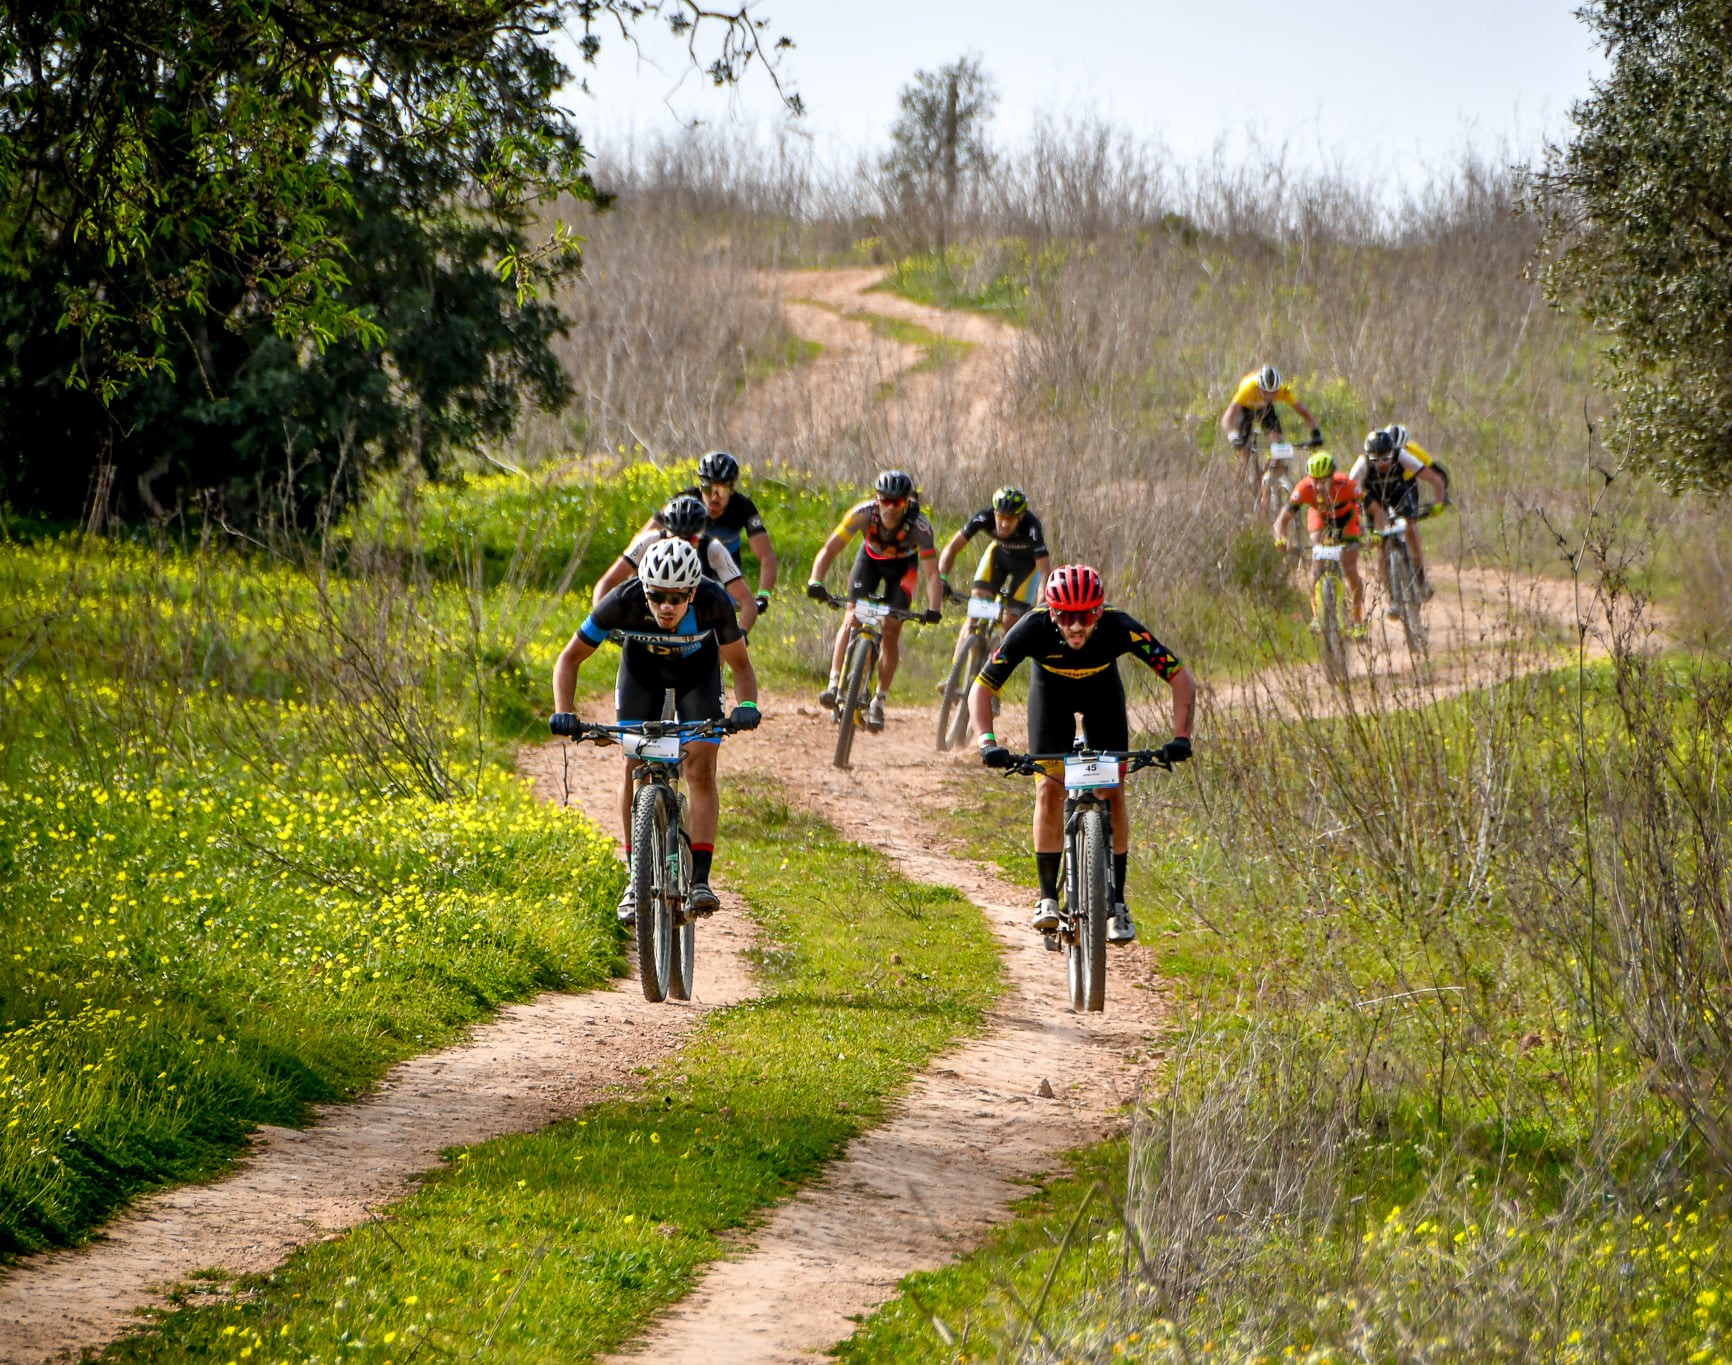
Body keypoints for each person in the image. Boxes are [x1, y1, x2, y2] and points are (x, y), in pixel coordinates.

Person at [969, 564, 1194, 945]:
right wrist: (986, 741)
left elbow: (1180, 677)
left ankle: (1118, 903)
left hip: (1103, 697)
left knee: (1113, 790)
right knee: (1048, 790)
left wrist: (1181, 737)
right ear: (1051, 612)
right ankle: (1046, 899)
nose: (1075, 626)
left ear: (1100, 612)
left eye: (1086, 616)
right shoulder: (1031, 627)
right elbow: (982, 688)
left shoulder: (1120, 627)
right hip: (1049, 698)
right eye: (1065, 617)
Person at [550, 538, 761, 924]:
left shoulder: (714, 603)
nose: (667, 606)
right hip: (641, 677)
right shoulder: (622, 601)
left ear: (693, 592)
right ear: (643, 588)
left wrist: (745, 707)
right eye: (657, 595)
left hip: (699, 678)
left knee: (699, 767)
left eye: (678, 598)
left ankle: (699, 879)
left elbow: (742, 668)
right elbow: (569, 659)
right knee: (633, 763)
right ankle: (635, 878)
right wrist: (564, 712)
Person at [805, 469, 943, 730]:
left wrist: (934, 608)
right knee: (852, 616)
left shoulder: (920, 527)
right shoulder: (863, 513)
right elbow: (831, 547)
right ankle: (834, 683)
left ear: (907, 502)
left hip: (903, 571)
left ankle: (879, 700)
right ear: (877, 498)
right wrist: (816, 580)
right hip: (869, 562)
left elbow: (932, 574)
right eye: (885, 500)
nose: (890, 507)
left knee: (891, 629)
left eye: (897, 502)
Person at [595, 493, 759, 632]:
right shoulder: (649, 540)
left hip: (696, 615)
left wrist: (740, 634)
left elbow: (747, 601)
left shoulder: (713, 549)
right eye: (675, 538)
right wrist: (602, 625)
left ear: (702, 534)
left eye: (691, 539)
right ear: (666, 532)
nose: (681, 545)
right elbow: (607, 582)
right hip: (652, 615)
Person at [649, 450, 780, 617]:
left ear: (732, 489)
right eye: (709, 489)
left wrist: (764, 595)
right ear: (700, 487)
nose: (715, 498)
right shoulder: (685, 501)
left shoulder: (743, 507)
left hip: (726, 581)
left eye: (722, 491)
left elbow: (766, 556)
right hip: (682, 576)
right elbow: (646, 537)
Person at [1350, 429, 1450, 612]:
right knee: (1380, 542)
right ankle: (1393, 597)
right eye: (1377, 459)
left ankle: (1420, 578)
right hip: (1374, 498)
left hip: (1398, 493)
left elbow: (1434, 478)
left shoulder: (1401, 455)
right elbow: (1348, 492)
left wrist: (1438, 503)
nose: (1382, 464)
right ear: (1368, 455)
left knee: (1411, 528)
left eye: (1386, 458)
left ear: (1392, 452)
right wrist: (1355, 522)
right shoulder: (1362, 464)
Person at [1273, 450, 1367, 638]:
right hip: (1320, 517)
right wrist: (1281, 539)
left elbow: (1374, 509)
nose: (1317, 485)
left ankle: (1357, 620)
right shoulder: (1303, 489)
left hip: (1347, 518)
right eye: (1313, 479)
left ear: (1332, 478)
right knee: (1317, 562)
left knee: (1350, 568)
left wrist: (1374, 533)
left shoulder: (1347, 485)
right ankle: (1316, 616)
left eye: (1322, 480)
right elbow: (1281, 521)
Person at [935, 484, 1052, 625]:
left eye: (1010, 519)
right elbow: (952, 547)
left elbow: (1045, 571)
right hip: (999, 558)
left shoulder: (1031, 526)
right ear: (994, 512)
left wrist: (1040, 606)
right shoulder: (985, 516)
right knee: (975, 615)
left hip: (1027, 568)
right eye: (1000, 517)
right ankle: (965, 646)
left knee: (1010, 622)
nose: (1003, 524)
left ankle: (1001, 643)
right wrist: (941, 578)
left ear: (1020, 517)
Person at [1220, 364, 1322, 481]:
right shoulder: (1248, 389)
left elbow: (1304, 413)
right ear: (1259, 388)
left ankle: (1269, 477)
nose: (1269, 396)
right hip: (1245, 408)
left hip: (1265, 408)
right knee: (1244, 454)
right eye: (1266, 392)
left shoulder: (1282, 391)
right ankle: (1236, 490)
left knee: (1278, 445)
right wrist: (1233, 436)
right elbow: (1227, 419)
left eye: (1273, 392)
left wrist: (1316, 432)